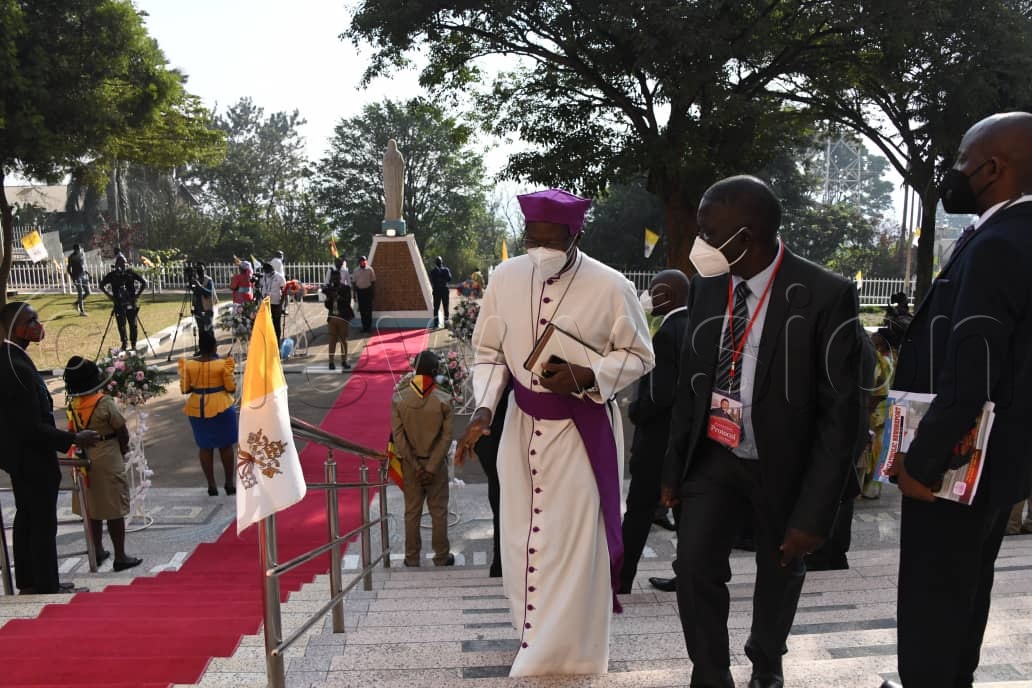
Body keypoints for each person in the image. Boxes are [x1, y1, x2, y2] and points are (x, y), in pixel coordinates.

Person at [660, 175, 863, 688]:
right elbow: (692, 385)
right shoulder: (708, 286)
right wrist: (671, 471)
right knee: (694, 566)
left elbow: (842, 417)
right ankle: (710, 671)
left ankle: (766, 660)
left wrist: (817, 513)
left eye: (707, 233)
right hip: (714, 456)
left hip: (783, 461)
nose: (696, 245)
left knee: (782, 565)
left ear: (744, 238)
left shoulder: (825, 295)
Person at [455, 188, 655, 677]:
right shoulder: (505, 277)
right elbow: (488, 354)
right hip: (520, 429)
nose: (539, 249)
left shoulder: (611, 286)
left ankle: (575, 652)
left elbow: (640, 355)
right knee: (522, 539)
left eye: (550, 240)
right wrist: (484, 407)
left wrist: (588, 376)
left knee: (572, 544)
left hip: (580, 433)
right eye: (531, 238)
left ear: (574, 234)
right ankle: (531, 639)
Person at [880, 112, 1032, 688]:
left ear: (992, 168)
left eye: (960, 160)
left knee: (932, 611)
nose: (952, 174)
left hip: (955, 473)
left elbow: (975, 371)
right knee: (963, 602)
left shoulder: (997, 244)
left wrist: (922, 464)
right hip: (999, 467)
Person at [0, 302, 99, 594]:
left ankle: (30, 580)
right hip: (31, 458)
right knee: (41, 522)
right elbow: (29, 425)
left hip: (23, 457)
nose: (38, 325)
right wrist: (73, 439)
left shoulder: (11, 359)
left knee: (27, 517)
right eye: (32, 320)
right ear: (17, 328)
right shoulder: (15, 366)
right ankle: (45, 584)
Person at [619, 270, 690, 595]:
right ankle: (687, 575)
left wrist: (636, 411)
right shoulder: (698, 327)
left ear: (669, 296)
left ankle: (620, 579)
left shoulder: (666, 334)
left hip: (657, 443)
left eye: (654, 291)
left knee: (639, 512)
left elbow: (660, 395)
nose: (649, 297)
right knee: (685, 513)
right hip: (686, 441)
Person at [62, 356, 142, 571]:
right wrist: (123, 450)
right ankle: (120, 556)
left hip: (81, 459)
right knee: (114, 507)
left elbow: (71, 431)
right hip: (106, 455)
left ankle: (96, 550)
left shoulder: (73, 403)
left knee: (92, 507)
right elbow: (121, 429)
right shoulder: (103, 401)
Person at [391, 351, 454, 567]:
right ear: (436, 372)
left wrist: (417, 466)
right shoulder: (443, 399)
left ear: (415, 369)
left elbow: (398, 437)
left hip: (411, 466)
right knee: (438, 511)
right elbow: (446, 437)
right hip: (436, 467)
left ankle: (411, 557)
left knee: (412, 512)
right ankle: (441, 556)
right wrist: (431, 466)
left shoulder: (399, 399)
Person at [178, 331, 238, 496]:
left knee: (205, 446)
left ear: (199, 348)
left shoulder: (188, 365)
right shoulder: (223, 364)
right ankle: (229, 483)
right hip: (222, 406)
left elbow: (184, 389)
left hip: (197, 407)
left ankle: (211, 485)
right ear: (214, 347)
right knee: (226, 446)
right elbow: (231, 388)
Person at [99, 254, 147, 351]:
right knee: (121, 324)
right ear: (116, 264)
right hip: (118, 303)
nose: (124, 265)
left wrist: (137, 296)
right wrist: (110, 296)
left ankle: (133, 344)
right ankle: (124, 343)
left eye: (125, 262)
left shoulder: (130, 273)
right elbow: (101, 285)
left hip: (130, 302)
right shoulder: (112, 275)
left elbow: (144, 283)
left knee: (133, 324)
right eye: (121, 263)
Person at [322, 268, 354, 371]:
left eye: (336, 278)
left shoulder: (345, 288)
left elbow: (347, 302)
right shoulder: (330, 289)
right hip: (332, 317)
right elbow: (327, 305)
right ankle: (331, 362)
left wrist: (338, 297)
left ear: (340, 278)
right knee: (332, 340)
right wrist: (329, 298)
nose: (334, 280)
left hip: (343, 317)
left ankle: (344, 361)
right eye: (333, 278)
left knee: (343, 340)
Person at [259, 261, 287, 344]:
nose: (267, 274)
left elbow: (284, 291)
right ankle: (268, 343)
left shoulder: (279, 277)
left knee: (276, 324)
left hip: (276, 304)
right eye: (265, 272)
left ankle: (277, 343)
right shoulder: (263, 277)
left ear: (272, 270)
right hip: (265, 304)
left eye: (268, 272)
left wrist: (280, 305)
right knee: (266, 324)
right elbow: (260, 286)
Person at [190, 263, 217, 337]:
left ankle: (211, 346)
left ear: (205, 271)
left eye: (201, 270)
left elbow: (209, 293)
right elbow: (194, 293)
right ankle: (202, 346)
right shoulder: (195, 280)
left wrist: (200, 286)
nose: (200, 272)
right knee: (200, 329)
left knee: (209, 329)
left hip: (207, 308)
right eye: (198, 271)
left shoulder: (208, 280)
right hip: (198, 309)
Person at [352, 255, 376, 333]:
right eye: (362, 261)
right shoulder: (356, 270)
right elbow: (354, 283)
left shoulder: (370, 269)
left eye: (365, 261)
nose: (363, 262)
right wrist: (354, 295)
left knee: (368, 310)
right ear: (359, 262)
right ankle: (364, 327)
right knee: (362, 310)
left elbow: (373, 282)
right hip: (360, 292)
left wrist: (372, 293)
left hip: (368, 291)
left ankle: (369, 327)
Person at [429, 256, 452, 328]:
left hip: (440, 290)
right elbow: (449, 278)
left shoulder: (436, 270)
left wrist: (439, 280)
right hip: (441, 290)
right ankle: (441, 323)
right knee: (441, 307)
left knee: (440, 308)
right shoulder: (443, 270)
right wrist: (443, 280)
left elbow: (449, 278)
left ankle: (441, 323)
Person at [67, 243, 90, 316]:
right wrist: (72, 277)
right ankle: (82, 311)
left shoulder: (81, 255)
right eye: (79, 249)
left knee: (88, 292)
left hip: (83, 276)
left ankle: (76, 303)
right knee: (80, 293)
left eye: (80, 249)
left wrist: (87, 272)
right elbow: (68, 268)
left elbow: (82, 265)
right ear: (75, 249)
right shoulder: (71, 257)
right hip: (76, 277)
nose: (80, 250)